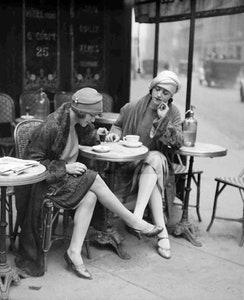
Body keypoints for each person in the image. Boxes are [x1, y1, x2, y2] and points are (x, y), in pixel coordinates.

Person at [14, 87, 163, 279]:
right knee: (94, 178)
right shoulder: (52, 126)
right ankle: (133, 220)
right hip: (44, 184)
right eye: (92, 116)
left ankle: (73, 253)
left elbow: (86, 136)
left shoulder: (74, 119)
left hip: (63, 179)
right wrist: (65, 168)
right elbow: (31, 163)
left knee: (91, 195)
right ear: (81, 111)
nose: (93, 120)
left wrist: (98, 134)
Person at [106, 70, 184, 259]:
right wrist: (114, 134)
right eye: (157, 89)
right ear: (151, 87)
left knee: (155, 158)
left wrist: (164, 119)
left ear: (171, 96)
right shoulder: (132, 107)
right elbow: (117, 125)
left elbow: (178, 142)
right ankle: (162, 233)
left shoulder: (173, 112)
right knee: (153, 175)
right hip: (130, 165)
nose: (159, 95)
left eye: (165, 93)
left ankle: (137, 217)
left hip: (156, 164)